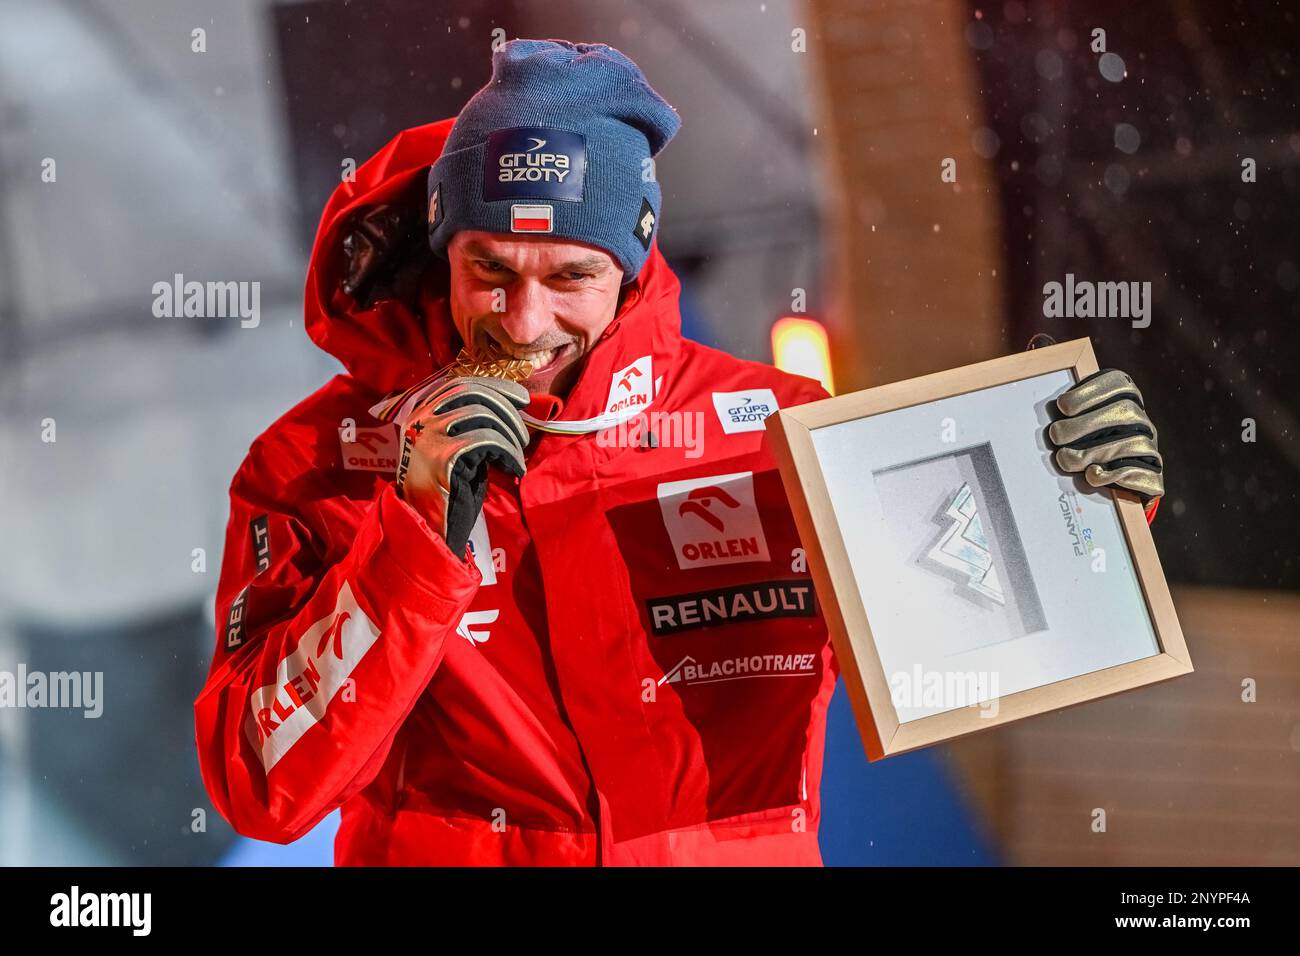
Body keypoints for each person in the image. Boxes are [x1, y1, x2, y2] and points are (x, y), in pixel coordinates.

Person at [193, 38, 1164, 866]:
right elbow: (258, 789)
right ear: (442, 241)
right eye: (488, 269)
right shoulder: (315, 463)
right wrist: (409, 541)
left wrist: (1081, 487)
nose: (523, 321)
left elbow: (981, 617)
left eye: (571, 275)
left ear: (635, 257)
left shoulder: (773, 430)